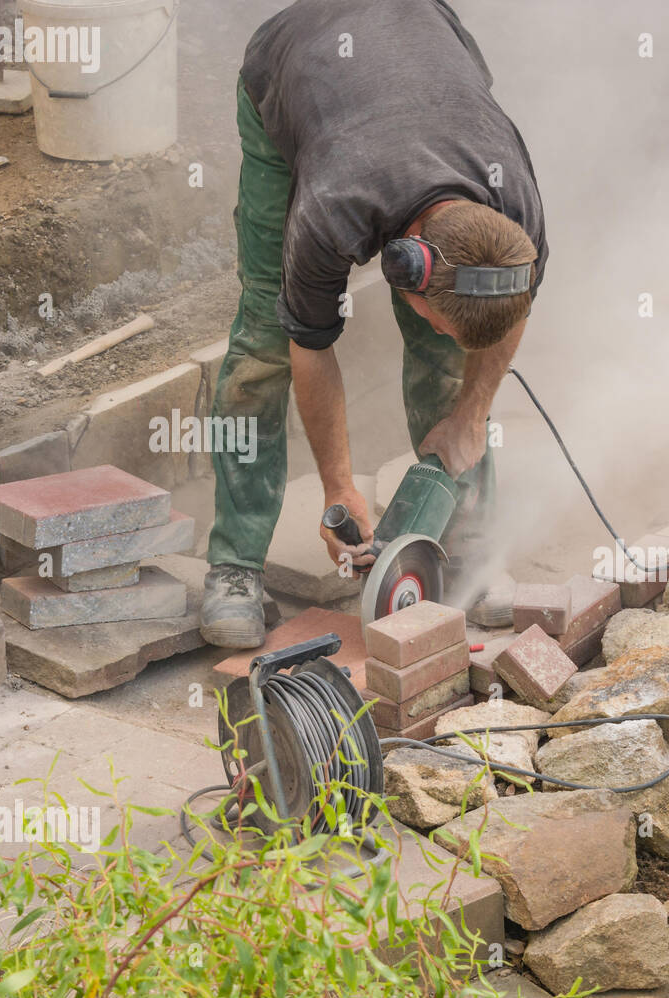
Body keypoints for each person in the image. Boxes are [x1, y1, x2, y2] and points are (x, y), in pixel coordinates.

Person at [200, 0, 546, 647]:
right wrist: (338, 487)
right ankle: (234, 563)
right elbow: (311, 344)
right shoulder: (332, 207)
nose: (441, 332)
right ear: (401, 266)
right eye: (434, 317)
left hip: (425, 45)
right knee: (266, 344)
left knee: (449, 359)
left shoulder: (515, 211)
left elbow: (512, 309)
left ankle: (468, 546)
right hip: (295, 73)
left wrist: (473, 413)